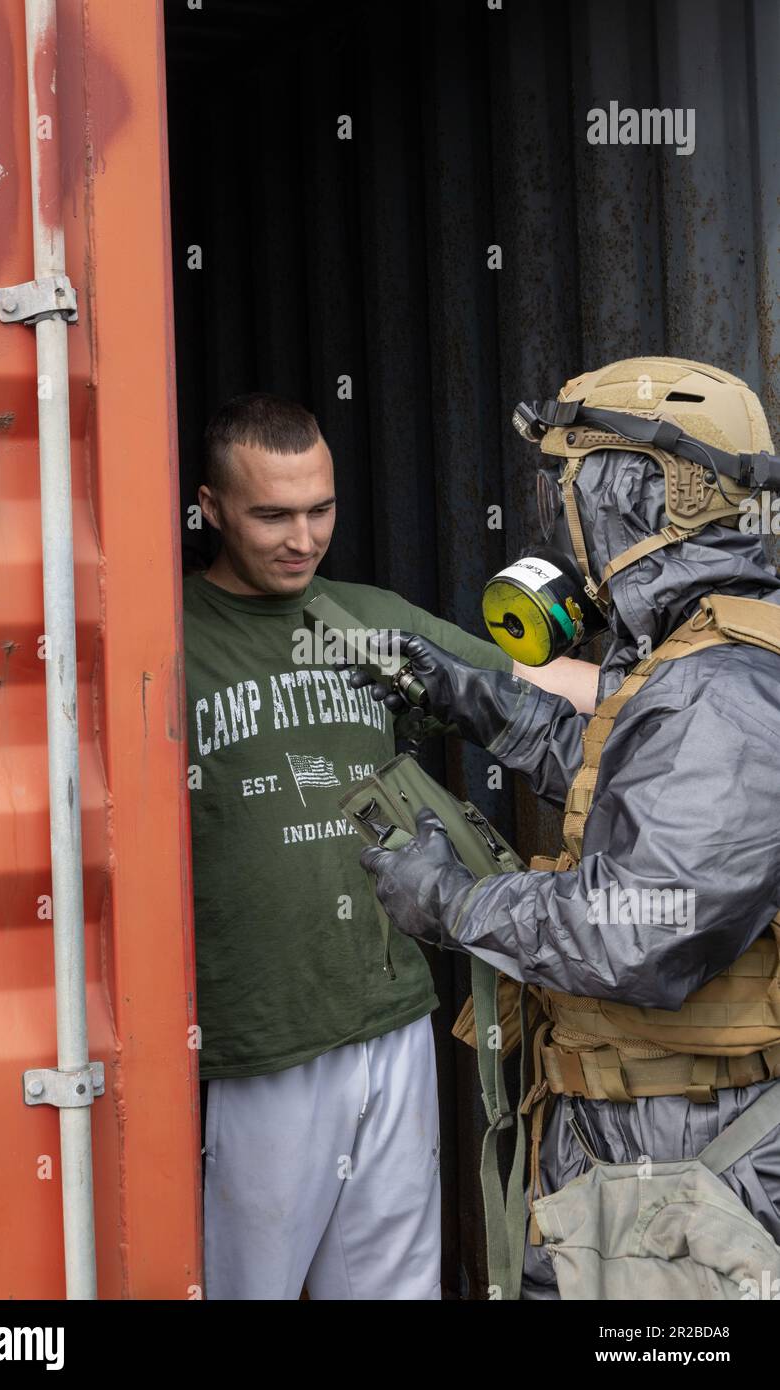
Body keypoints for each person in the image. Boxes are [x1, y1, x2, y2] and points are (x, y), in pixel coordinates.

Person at [358, 357, 780, 1298]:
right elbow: (641, 787)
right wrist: (474, 701)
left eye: (567, 495)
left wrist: (456, 902)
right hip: (653, 1132)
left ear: (632, 495)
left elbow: (639, 931)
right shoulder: (700, 651)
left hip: (685, 1146)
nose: (560, 529)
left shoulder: (723, 687)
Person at [183, 391, 597, 1300]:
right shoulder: (163, 638)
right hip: (260, 1046)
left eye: (319, 509)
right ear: (208, 508)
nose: (303, 538)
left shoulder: (364, 621)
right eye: (271, 514)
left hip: (392, 1019)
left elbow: (542, 685)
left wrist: (717, 679)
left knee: (393, 1290)